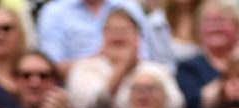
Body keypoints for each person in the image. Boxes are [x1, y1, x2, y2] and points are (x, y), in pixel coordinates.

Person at [66, 8, 165, 108]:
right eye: (112, 31)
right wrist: (122, 69)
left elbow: (175, 107)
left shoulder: (155, 70)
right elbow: (86, 106)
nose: (118, 36)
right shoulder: (84, 68)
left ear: (138, 37)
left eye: (124, 30)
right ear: (102, 36)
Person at [36, 0, 173, 75]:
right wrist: (100, 57)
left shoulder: (129, 5)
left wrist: (125, 64)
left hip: (132, 86)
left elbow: (145, 56)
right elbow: (50, 69)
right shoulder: (54, 12)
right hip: (77, 95)